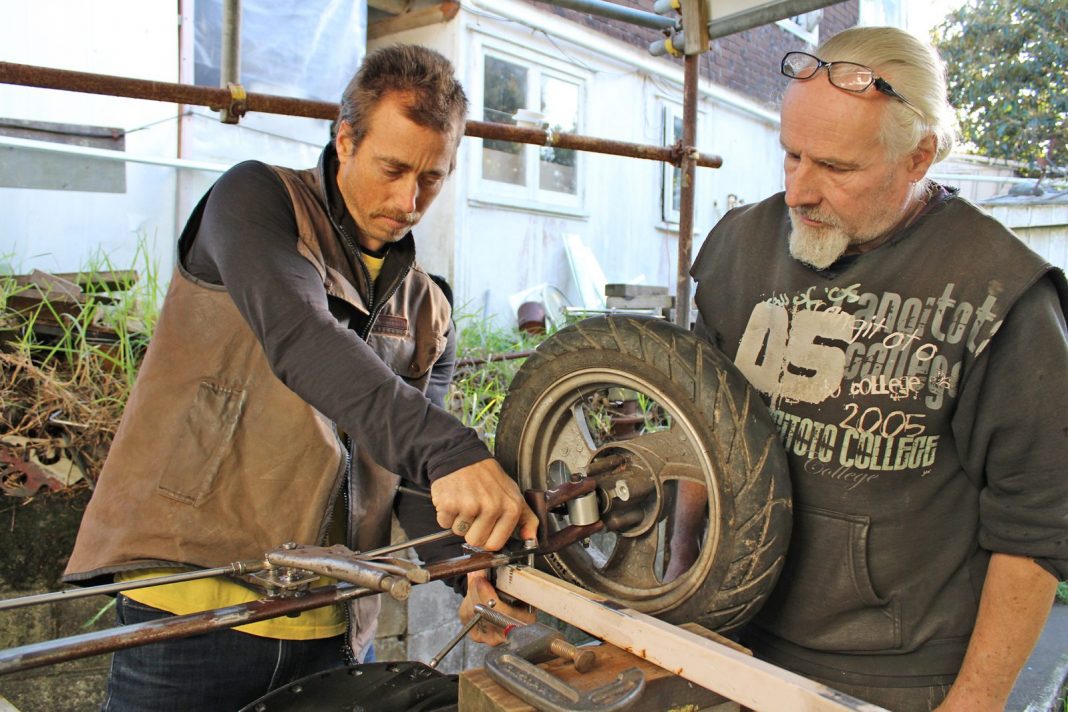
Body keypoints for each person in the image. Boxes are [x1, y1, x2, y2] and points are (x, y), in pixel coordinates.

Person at [62, 44, 538, 711]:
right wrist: (453, 448)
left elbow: (409, 478)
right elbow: (300, 336)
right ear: (345, 141)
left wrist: (470, 567)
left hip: (334, 621)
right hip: (191, 613)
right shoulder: (256, 202)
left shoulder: (428, 305)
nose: (409, 201)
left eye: (432, 178)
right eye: (393, 169)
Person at [688, 26, 1067, 711]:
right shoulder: (737, 248)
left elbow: (1037, 526)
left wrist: (973, 704)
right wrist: (680, 598)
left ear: (918, 156)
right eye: (791, 155)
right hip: (734, 637)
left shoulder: (1002, 296)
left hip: (896, 679)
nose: (799, 191)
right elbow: (697, 429)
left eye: (836, 168)